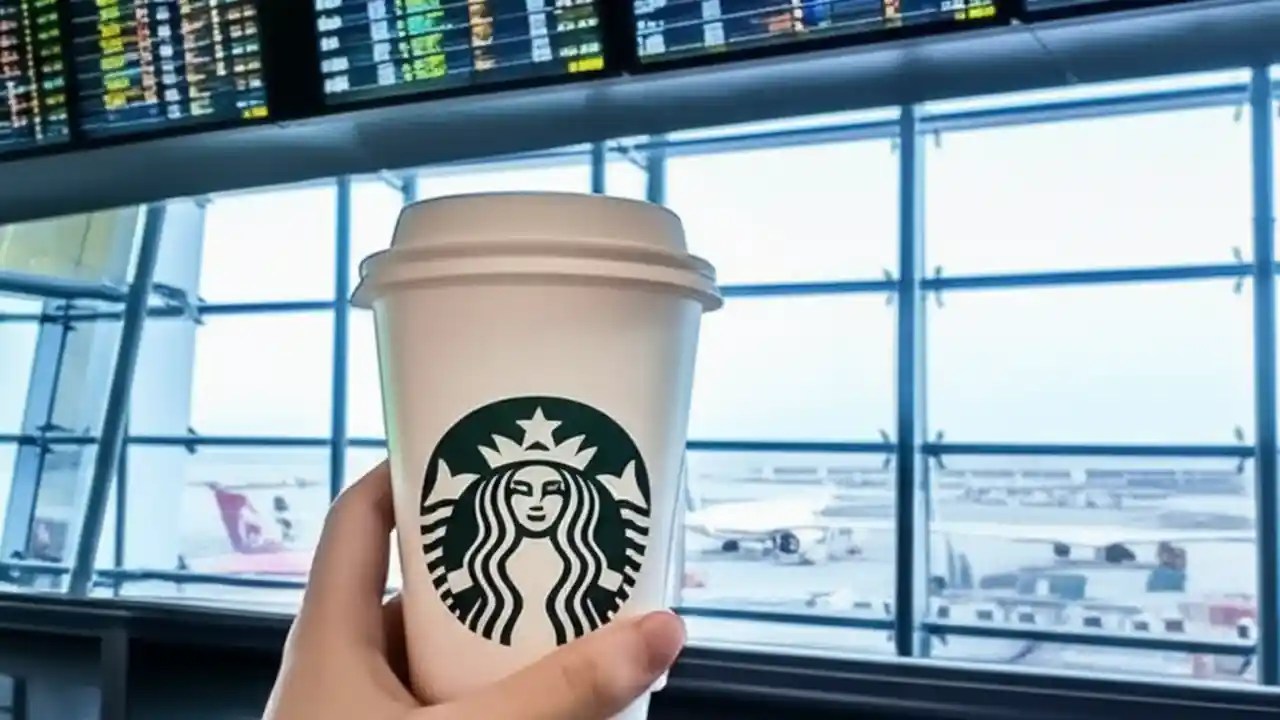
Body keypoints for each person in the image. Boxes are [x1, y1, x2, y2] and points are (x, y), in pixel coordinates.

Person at [264, 461, 686, 720]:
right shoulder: (489, 577)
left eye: (551, 491)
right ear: (499, 500)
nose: (536, 504)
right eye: (521, 491)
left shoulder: (574, 568)